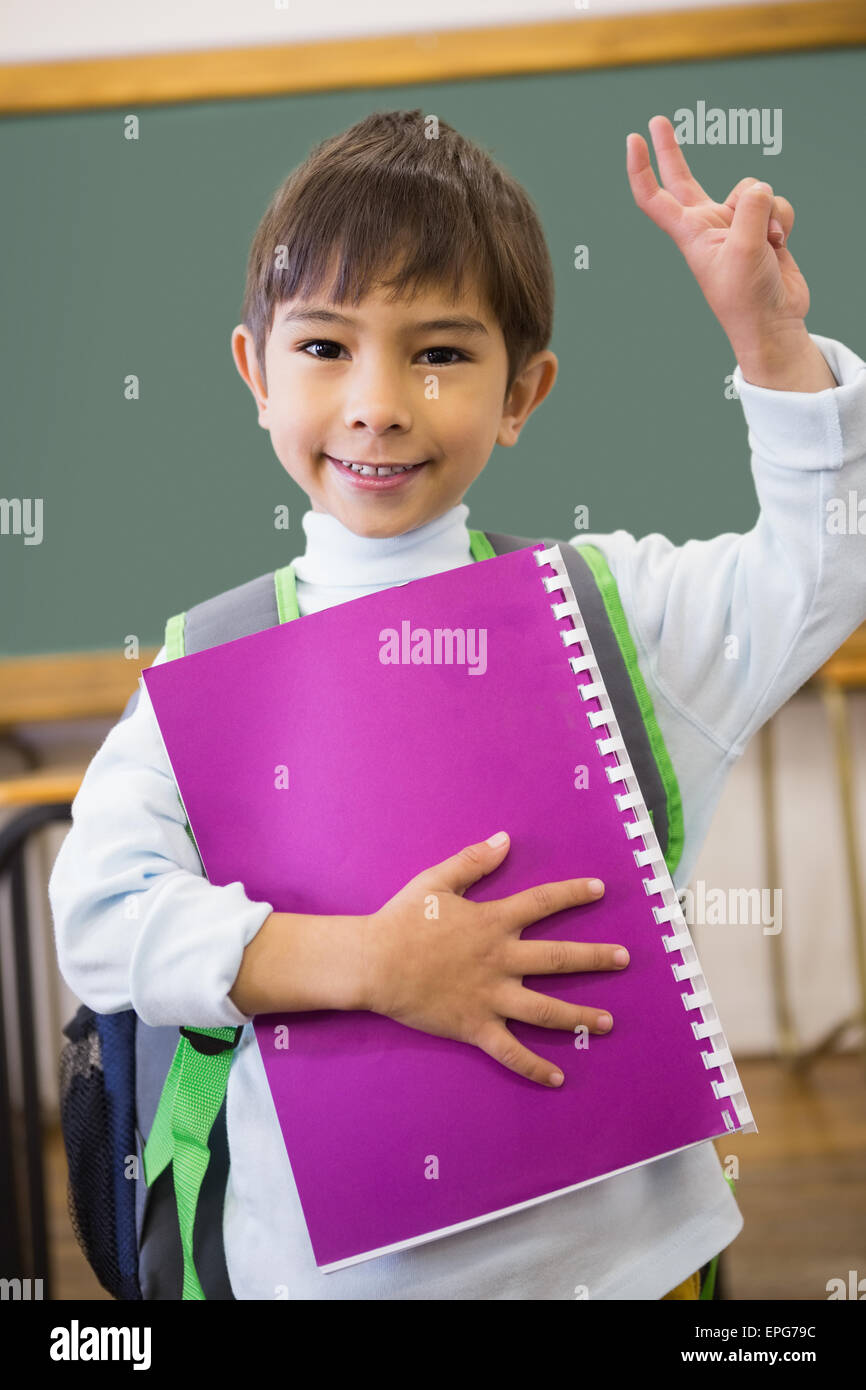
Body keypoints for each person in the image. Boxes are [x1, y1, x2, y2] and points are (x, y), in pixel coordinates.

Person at [49, 108, 866, 1300]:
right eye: (324, 346)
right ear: (256, 373)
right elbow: (100, 914)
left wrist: (771, 343)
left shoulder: (607, 609)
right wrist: (371, 961)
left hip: (620, 1267)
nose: (377, 402)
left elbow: (825, 564)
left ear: (521, 391)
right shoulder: (210, 661)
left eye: (437, 352)